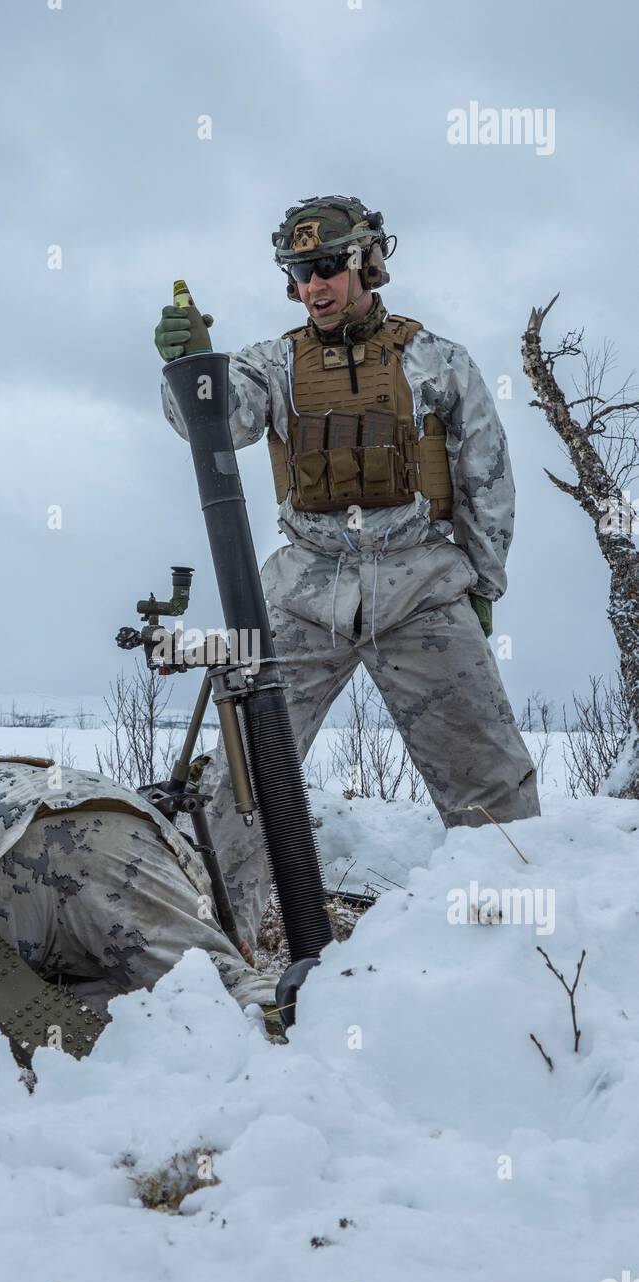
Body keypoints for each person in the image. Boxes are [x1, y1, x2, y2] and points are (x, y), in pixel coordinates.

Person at [155, 194, 540, 946]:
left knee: (489, 786)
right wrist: (192, 369)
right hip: (303, 596)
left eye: (329, 266)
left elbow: (485, 475)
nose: (315, 285)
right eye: (300, 272)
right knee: (243, 780)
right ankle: (207, 959)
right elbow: (221, 426)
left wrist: (482, 583)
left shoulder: (436, 358)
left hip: (419, 590)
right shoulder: (271, 364)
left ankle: (517, 953)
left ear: (367, 260)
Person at [0, 757, 280, 1063]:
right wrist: (217, 943)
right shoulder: (61, 774)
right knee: (203, 979)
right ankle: (265, 1008)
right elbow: (187, 864)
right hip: (114, 832)